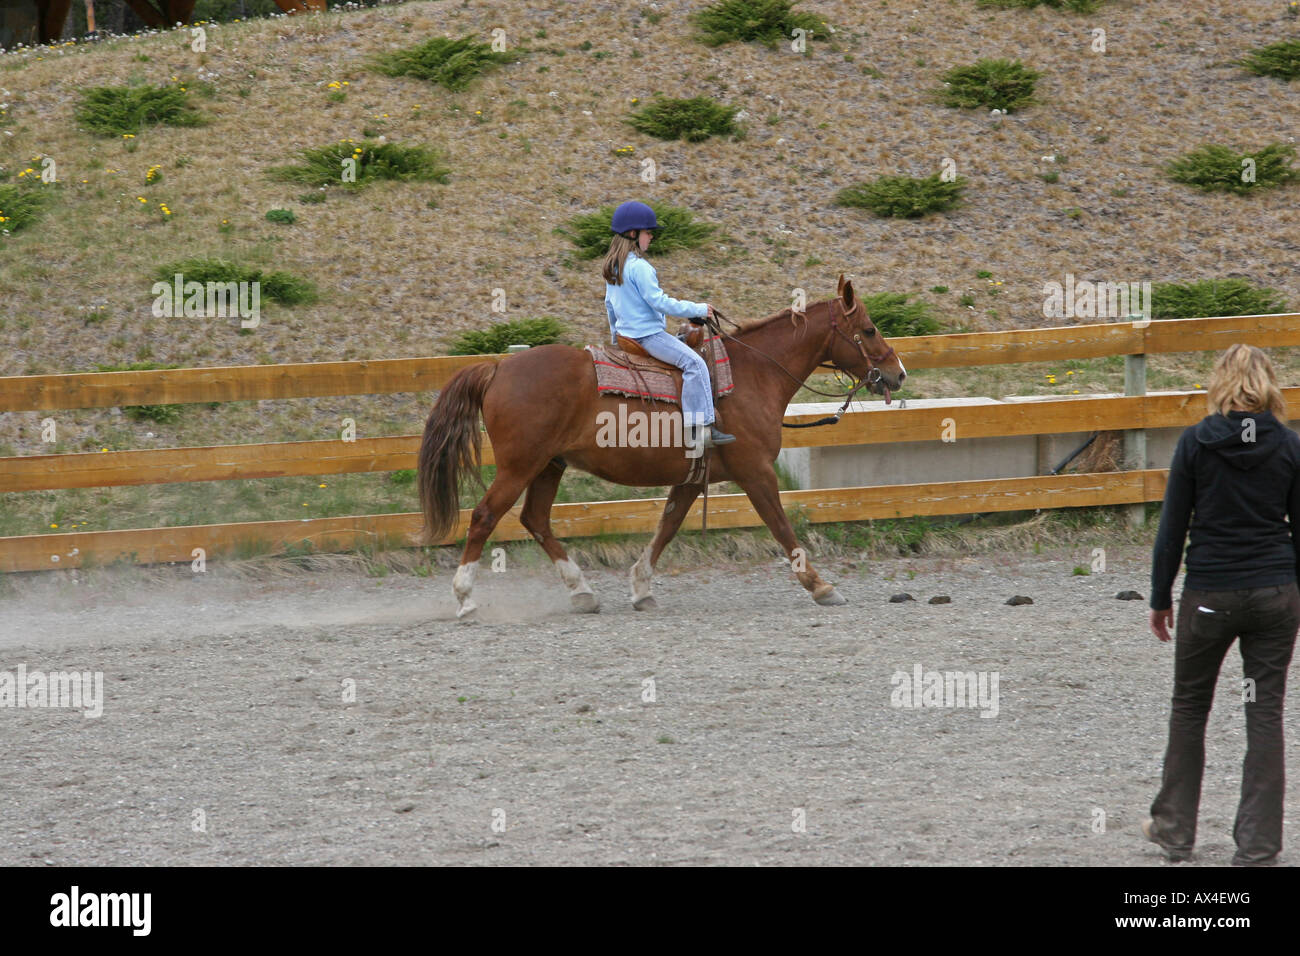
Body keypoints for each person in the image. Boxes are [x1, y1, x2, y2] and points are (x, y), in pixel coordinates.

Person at [1145, 343, 1300, 866]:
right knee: (1264, 713)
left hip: (1209, 595)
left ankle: (1174, 833)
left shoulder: (1195, 443)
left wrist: (1160, 597)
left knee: (1190, 708)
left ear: (1220, 383)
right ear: (1269, 384)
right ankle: (1257, 846)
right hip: (1275, 595)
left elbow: (1172, 529)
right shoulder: (1289, 446)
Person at [602, 200, 734, 450]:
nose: (651, 237)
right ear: (633, 234)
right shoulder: (640, 268)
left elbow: (610, 305)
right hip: (648, 336)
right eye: (648, 232)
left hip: (626, 335)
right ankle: (699, 430)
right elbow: (660, 302)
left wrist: (614, 338)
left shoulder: (614, 266)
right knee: (694, 363)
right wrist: (698, 308)